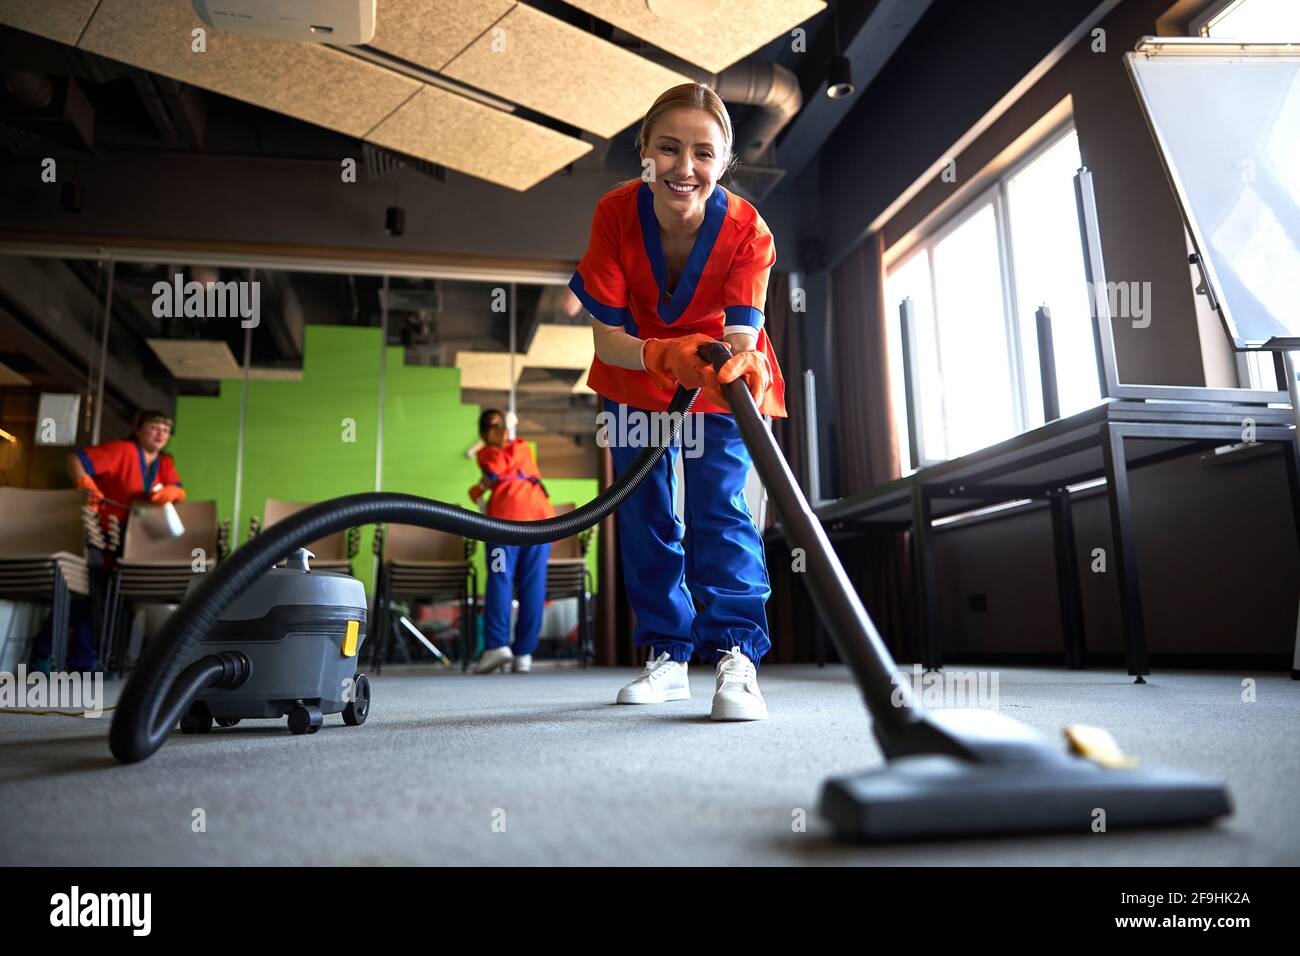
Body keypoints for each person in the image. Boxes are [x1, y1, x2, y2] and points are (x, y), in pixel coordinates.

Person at [568, 82, 786, 721]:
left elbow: (742, 330)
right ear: (643, 151)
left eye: (702, 153)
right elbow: (609, 341)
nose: (684, 168)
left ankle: (736, 655)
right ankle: (667, 653)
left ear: (723, 162)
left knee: (720, 508)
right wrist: (661, 355)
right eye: (668, 148)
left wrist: (732, 360)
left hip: (721, 377)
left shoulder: (748, 230)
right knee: (643, 511)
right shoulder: (614, 214)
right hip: (637, 373)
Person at [30, 410, 186, 672]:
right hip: (99, 535)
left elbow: (178, 488)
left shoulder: (165, 463)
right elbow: (75, 459)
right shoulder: (122, 450)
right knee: (87, 595)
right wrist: (85, 483)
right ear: (138, 429)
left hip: (134, 542)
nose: (160, 433)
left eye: (166, 429)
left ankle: (83, 658)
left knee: (108, 599)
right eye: (154, 427)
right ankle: (56, 655)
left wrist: (173, 493)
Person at [468, 409, 556, 674]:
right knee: (533, 584)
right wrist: (479, 488)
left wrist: (479, 488)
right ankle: (524, 654)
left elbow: (495, 472)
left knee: (500, 579)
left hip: (504, 523)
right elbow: (505, 471)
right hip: (540, 520)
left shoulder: (486, 454)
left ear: (483, 434)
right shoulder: (523, 448)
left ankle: (496, 646)